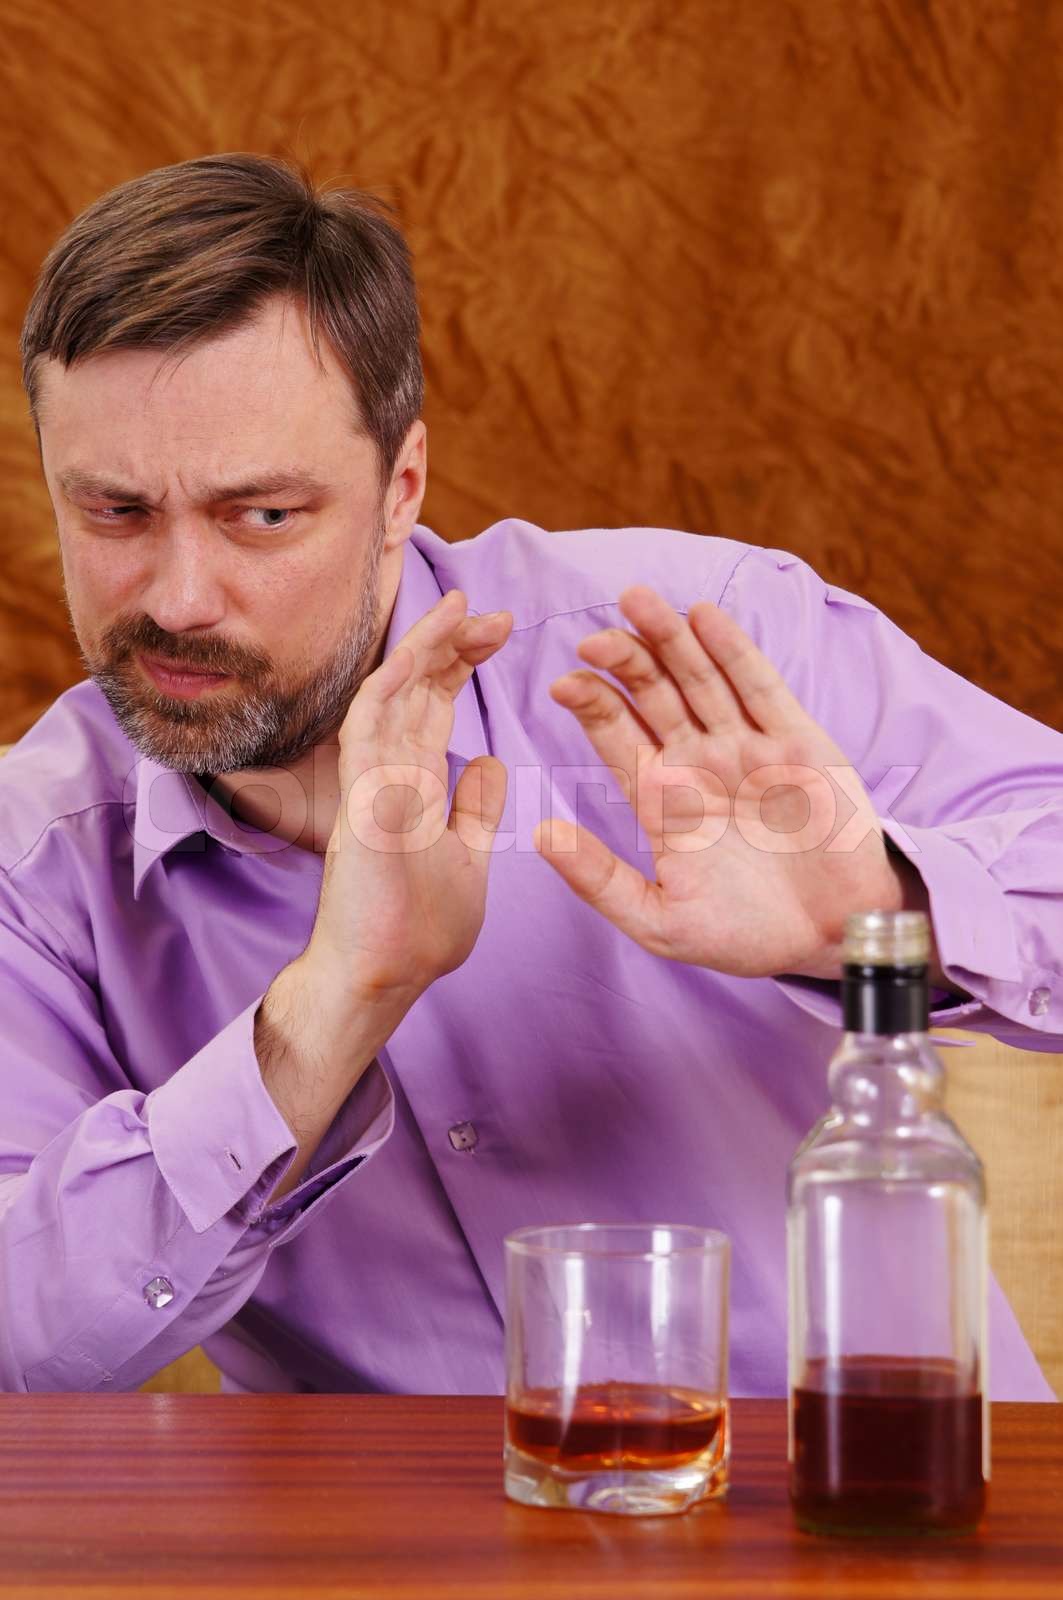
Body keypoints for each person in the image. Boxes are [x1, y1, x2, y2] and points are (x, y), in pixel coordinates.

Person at [2, 153, 1061, 1398]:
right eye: (114, 513)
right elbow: (24, 1341)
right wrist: (334, 1003)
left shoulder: (709, 642)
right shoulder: (39, 855)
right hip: (388, 1575)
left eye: (263, 516)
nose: (178, 597)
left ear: (402, 488)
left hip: (868, 1516)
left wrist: (881, 914)